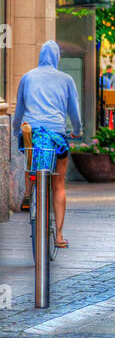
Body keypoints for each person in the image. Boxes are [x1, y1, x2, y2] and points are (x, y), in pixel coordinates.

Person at [12, 41, 82, 247]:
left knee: (29, 155)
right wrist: (77, 131)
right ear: (57, 58)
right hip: (57, 135)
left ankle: (28, 192)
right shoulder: (67, 79)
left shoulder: (27, 77)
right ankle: (59, 236)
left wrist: (16, 130)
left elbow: (19, 112)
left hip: (32, 133)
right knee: (58, 184)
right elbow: (74, 113)